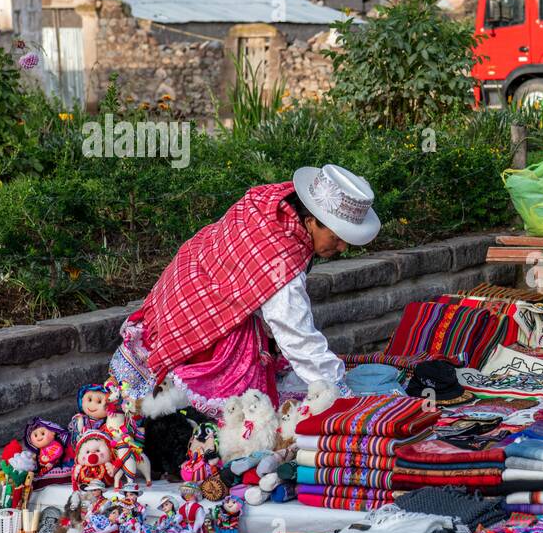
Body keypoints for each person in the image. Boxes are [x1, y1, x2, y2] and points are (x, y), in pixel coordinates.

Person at [111, 165, 381, 416]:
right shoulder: (280, 258)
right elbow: (295, 333)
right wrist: (337, 390)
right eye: (336, 237)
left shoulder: (271, 200)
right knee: (251, 407)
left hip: (182, 290)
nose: (343, 248)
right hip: (203, 319)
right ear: (311, 220)